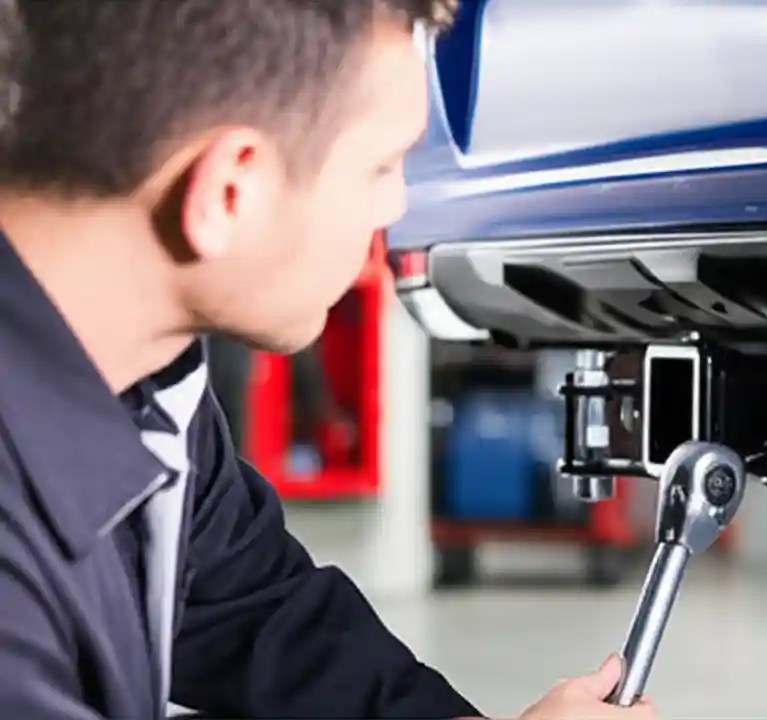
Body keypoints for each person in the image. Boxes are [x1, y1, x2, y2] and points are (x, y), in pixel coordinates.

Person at [0, 1, 658, 718]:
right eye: (380, 166)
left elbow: (260, 613)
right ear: (229, 192)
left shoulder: (145, 385)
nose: (395, 206)